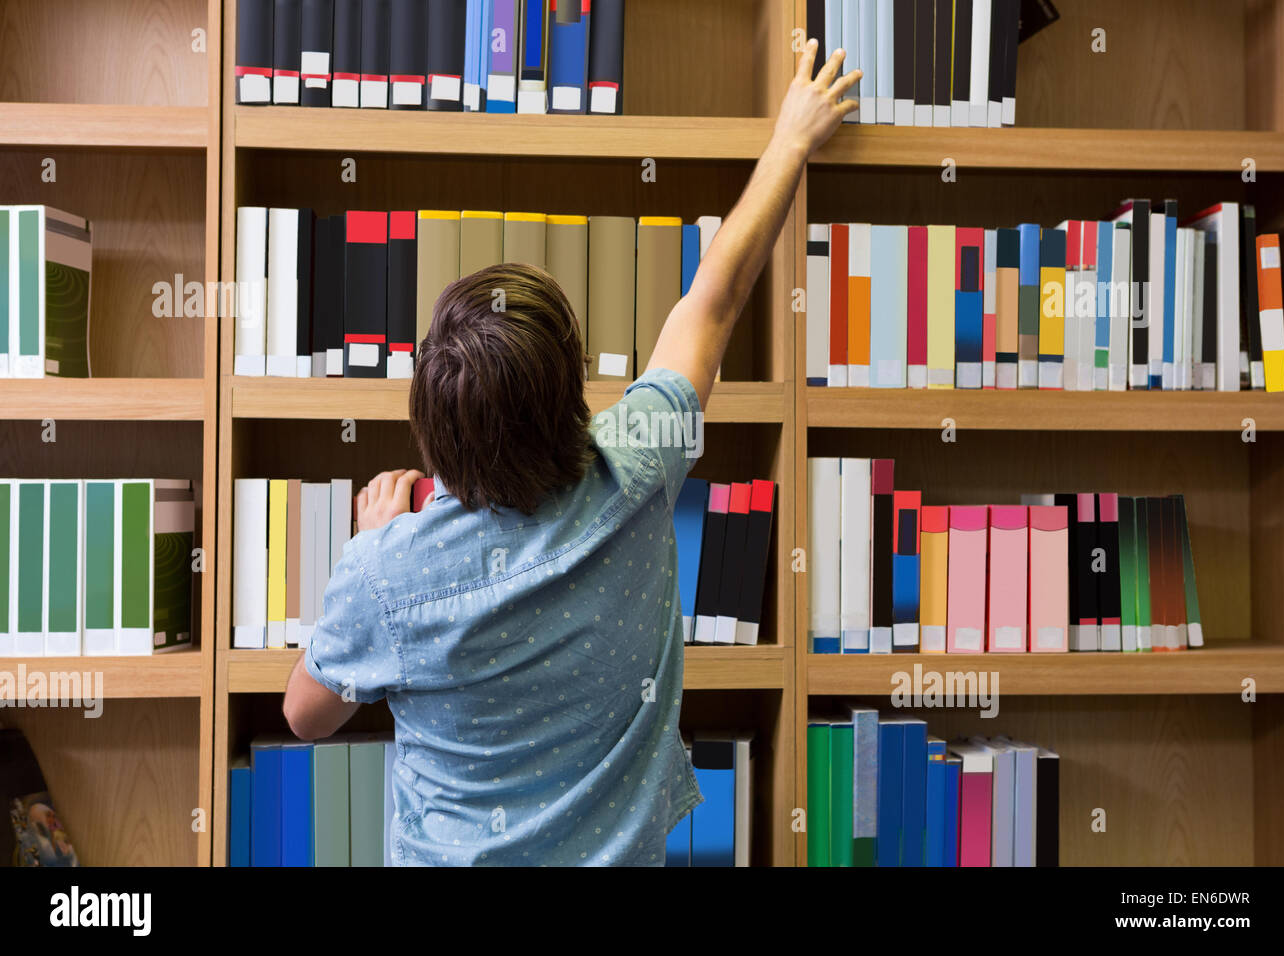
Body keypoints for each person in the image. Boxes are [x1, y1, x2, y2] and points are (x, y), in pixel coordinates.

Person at [282, 41, 861, 865]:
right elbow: (716, 299)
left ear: (430, 426)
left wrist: (372, 545)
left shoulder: (384, 573)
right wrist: (791, 141)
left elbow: (307, 716)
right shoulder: (638, 464)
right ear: (571, 395)